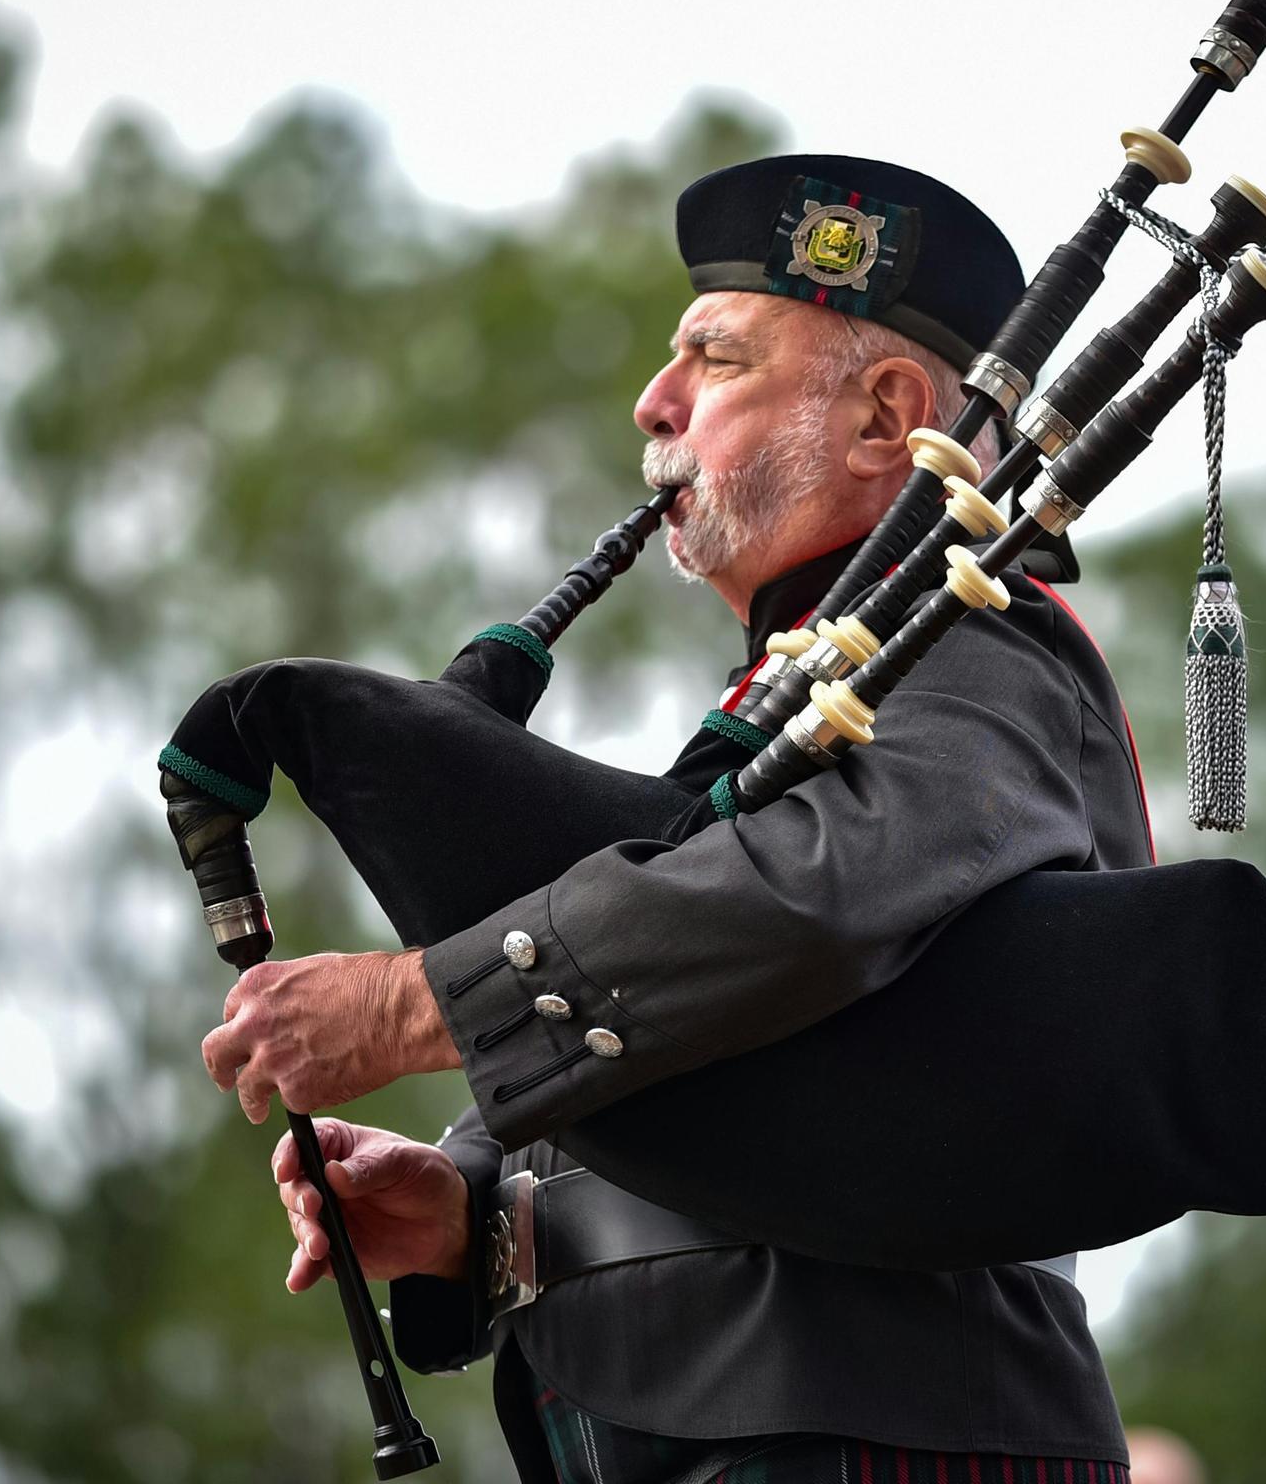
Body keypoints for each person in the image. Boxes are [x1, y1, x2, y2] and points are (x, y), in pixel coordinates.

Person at [199, 154, 1153, 1483]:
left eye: (715, 358)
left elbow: (811, 902)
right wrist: (473, 1212)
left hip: (875, 1440)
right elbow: (733, 1047)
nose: (654, 403)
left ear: (885, 420)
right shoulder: (799, 696)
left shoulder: (981, 648)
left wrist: (417, 1006)